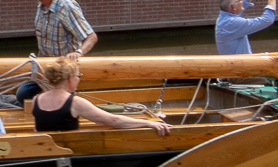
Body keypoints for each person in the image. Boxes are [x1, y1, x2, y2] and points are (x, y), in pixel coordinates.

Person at [29, 57, 172, 136]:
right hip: (69, 156)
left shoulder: (36, 100)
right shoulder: (75, 103)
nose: (79, 79)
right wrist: (148, 123)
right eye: (79, 76)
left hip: (47, 155)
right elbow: (113, 120)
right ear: (70, 78)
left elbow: (37, 131)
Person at [28, 0, 97, 57]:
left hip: (64, 67)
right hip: (46, 66)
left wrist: (79, 53)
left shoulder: (66, 7)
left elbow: (91, 37)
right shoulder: (41, 5)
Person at [214, 0, 278, 54]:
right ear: (233, 6)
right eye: (240, 0)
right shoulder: (232, 23)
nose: (242, 1)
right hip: (238, 65)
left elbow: (243, 4)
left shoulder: (225, 16)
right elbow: (267, 20)